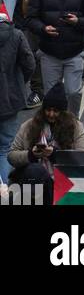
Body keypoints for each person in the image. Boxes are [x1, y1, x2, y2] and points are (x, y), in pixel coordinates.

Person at [6, 82, 84, 198]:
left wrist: (55, 155)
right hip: (34, 182)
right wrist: (31, 155)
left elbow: (83, 159)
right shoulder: (29, 126)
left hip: (64, 181)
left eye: (56, 111)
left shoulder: (76, 127)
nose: (51, 114)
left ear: (63, 113)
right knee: (35, 170)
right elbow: (11, 155)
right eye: (48, 110)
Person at [0, 13, 36, 191]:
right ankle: (6, 189)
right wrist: (19, 83)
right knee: (6, 147)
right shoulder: (16, 35)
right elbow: (29, 64)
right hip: (10, 101)